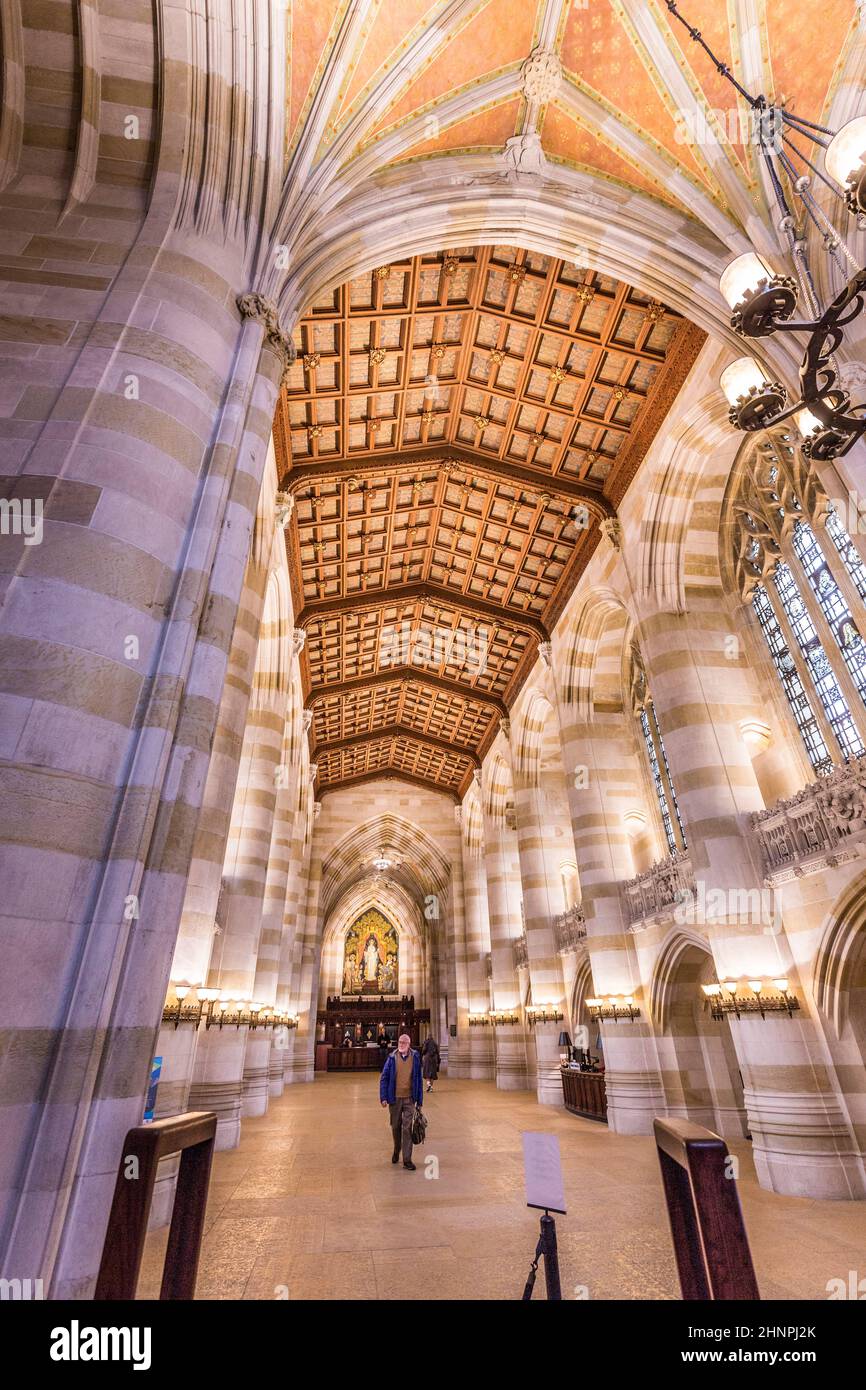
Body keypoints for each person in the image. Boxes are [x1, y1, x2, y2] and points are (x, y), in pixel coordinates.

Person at [379, 1032, 422, 1170]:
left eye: (404, 1043)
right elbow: (384, 1078)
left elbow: (418, 1079)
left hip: (409, 1098)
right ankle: (397, 1149)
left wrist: (419, 1101)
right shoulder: (392, 1058)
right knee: (396, 1126)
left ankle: (407, 1159)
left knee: (407, 1128)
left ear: (409, 1044)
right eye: (400, 1042)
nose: (401, 1045)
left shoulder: (415, 1057)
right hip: (394, 1098)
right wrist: (383, 1097)